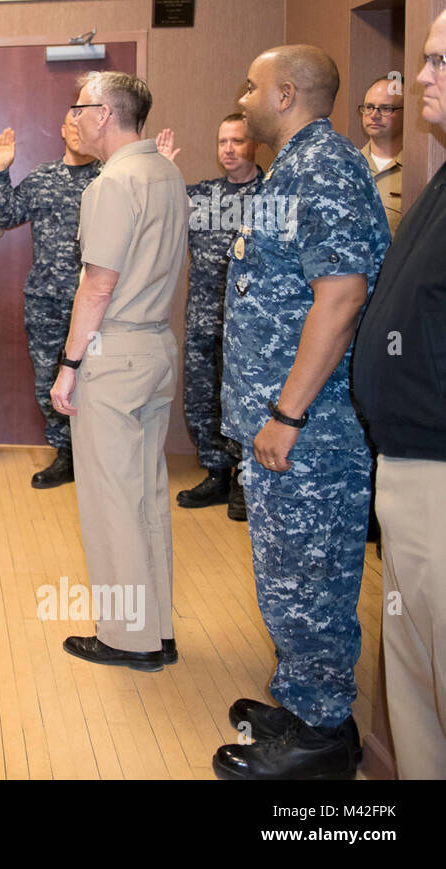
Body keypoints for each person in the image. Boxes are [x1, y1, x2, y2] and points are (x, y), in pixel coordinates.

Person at [213, 45, 388, 780]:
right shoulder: (294, 163)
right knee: (287, 577)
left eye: (252, 85)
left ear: (284, 94)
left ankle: (322, 737)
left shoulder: (325, 167)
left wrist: (287, 413)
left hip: (309, 430)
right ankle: (300, 700)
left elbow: (342, 294)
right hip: (283, 425)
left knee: (312, 578)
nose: (244, 95)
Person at [50, 71, 187, 671]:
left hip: (115, 352)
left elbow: (98, 285)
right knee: (148, 494)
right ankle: (157, 628)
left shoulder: (113, 182)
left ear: (104, 114)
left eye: (79, 107)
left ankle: (127, 639)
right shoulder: (166, 170)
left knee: (111, 500)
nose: (73, 117)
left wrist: (70, 363)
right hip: (157, 347)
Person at [352, 9, 446, 779]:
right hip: (408, 469)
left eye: (440, 61)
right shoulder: (442, 172)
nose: (419, 76)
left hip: (440, 477)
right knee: (415, 686)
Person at [155, 114, 264, 519]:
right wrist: (164, 171)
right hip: (204, 318)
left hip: (254, 328)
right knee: (203, 398)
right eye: (222, 142)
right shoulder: (201, 195)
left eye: (237, 141)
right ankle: (217, 473)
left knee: (246, 400)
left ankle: (244, 480)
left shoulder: (270, 195)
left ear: (254, 145)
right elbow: (160, 212)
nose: (229, 149)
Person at [0, 109, 99, 489]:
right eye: (72, 123)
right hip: (47, 303)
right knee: (48, 382)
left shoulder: (110, 179)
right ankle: (65, 456)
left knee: (98, 381)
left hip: (98, 305)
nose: (78, 131)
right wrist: (0, 172)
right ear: (63, 129)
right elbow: (4, 215)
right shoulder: (43, 178)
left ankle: (97, 459)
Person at [357, 77, 404, 237]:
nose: (374, 115)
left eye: (385, 108)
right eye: (369, 107)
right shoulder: (346, 166)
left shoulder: (418, 173)